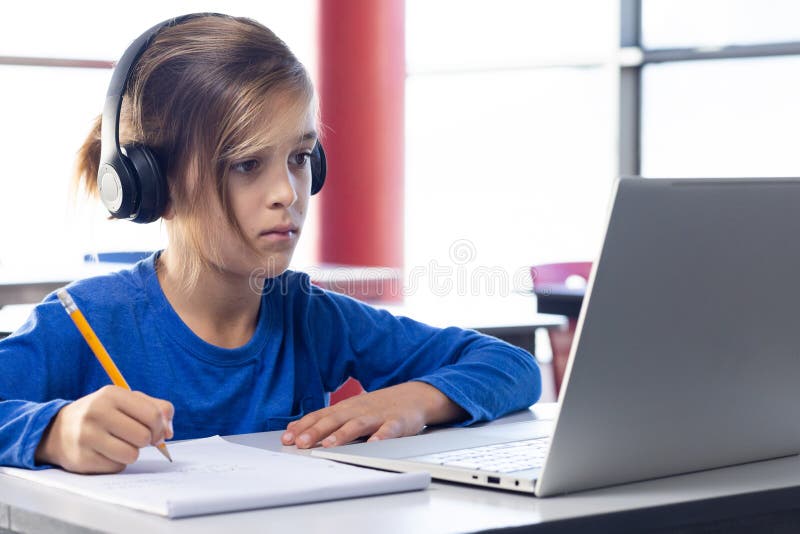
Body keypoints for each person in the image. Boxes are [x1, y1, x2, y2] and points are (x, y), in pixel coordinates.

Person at [0, 13, 540, 474]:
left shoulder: (310, 318)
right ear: (153, 183)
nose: (287, 192)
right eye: (246, 164)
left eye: (300, 158)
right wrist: (53, 432)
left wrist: (416, 401)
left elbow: (511, 367)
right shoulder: (83, 322)